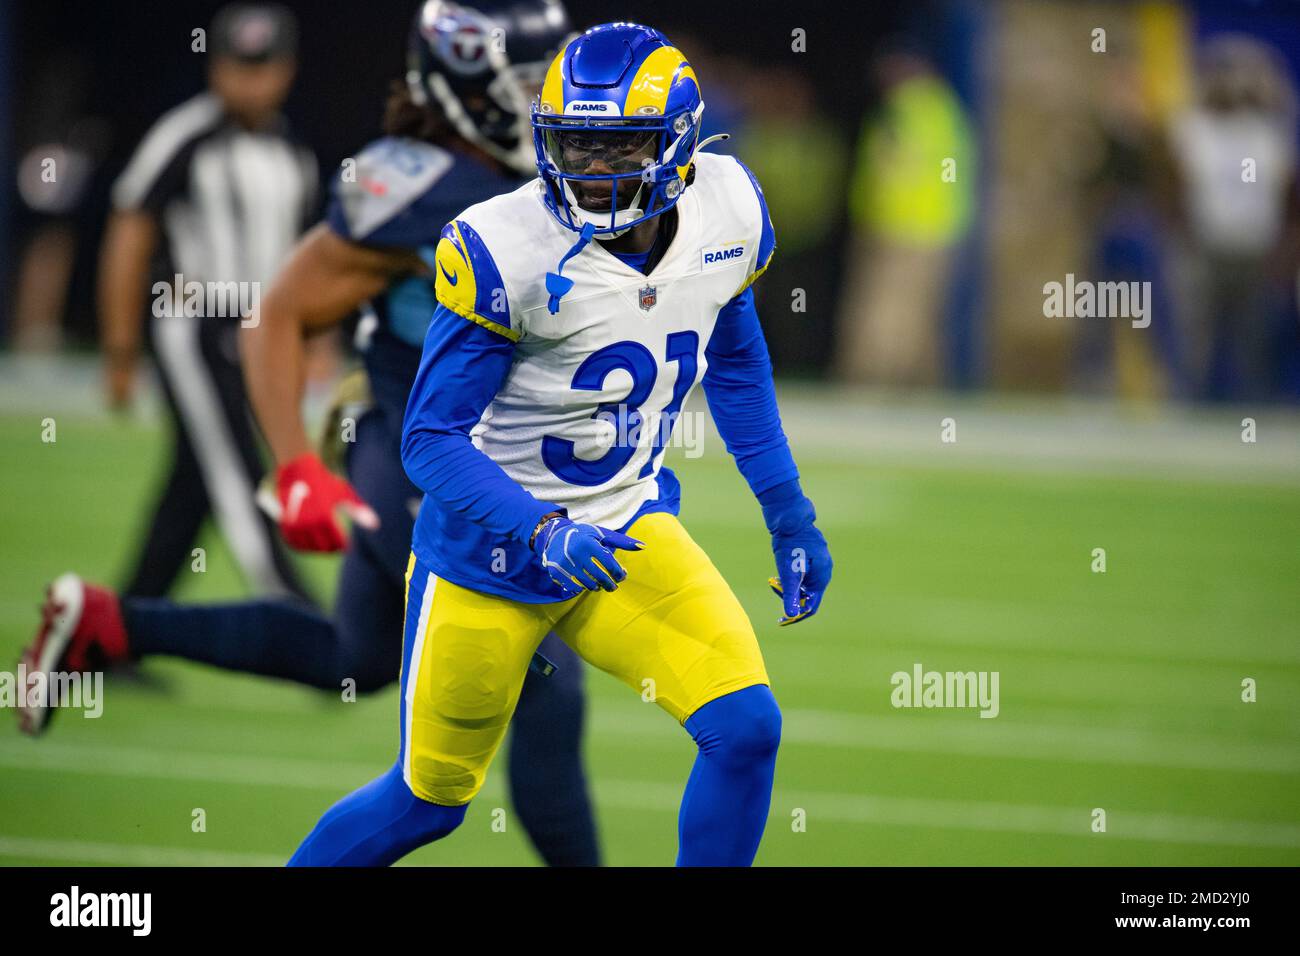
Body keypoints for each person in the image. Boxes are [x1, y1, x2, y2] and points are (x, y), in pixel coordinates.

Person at [19, 0, 602, 867]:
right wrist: (293, 464)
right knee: (548, 686)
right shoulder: (423, 186)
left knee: (353, 655)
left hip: (448, 454)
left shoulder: (537, 181)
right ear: (471, 90)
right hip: (431, 464)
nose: (553, 102)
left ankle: (113, 623)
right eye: (529, 84)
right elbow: (277, 314)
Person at [288, 22, 833, 867]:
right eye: (575, 146)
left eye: (618, 150)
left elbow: (734, 358)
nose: (592, 170)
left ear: (679, 144)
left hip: (624, 530)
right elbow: (430, 441)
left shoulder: (727, 208)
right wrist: (543, 531)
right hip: (489, 555)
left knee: (746, 728)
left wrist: (789, 512)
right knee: (429, 803)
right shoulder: (507, 246)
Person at [99, 2, 315, 599]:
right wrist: (120, 349)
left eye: (263, 66)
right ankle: (293, 608)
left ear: (287, 70)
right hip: (192, 322)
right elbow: (130, 230)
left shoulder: (290, 153)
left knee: (195, 480)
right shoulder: (184, 136)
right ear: (214, 66)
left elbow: (304, 258)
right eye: (238, 66)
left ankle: (123, 627)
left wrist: (314, 339)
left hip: (258, 330)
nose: (251, 81)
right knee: (235, 467)